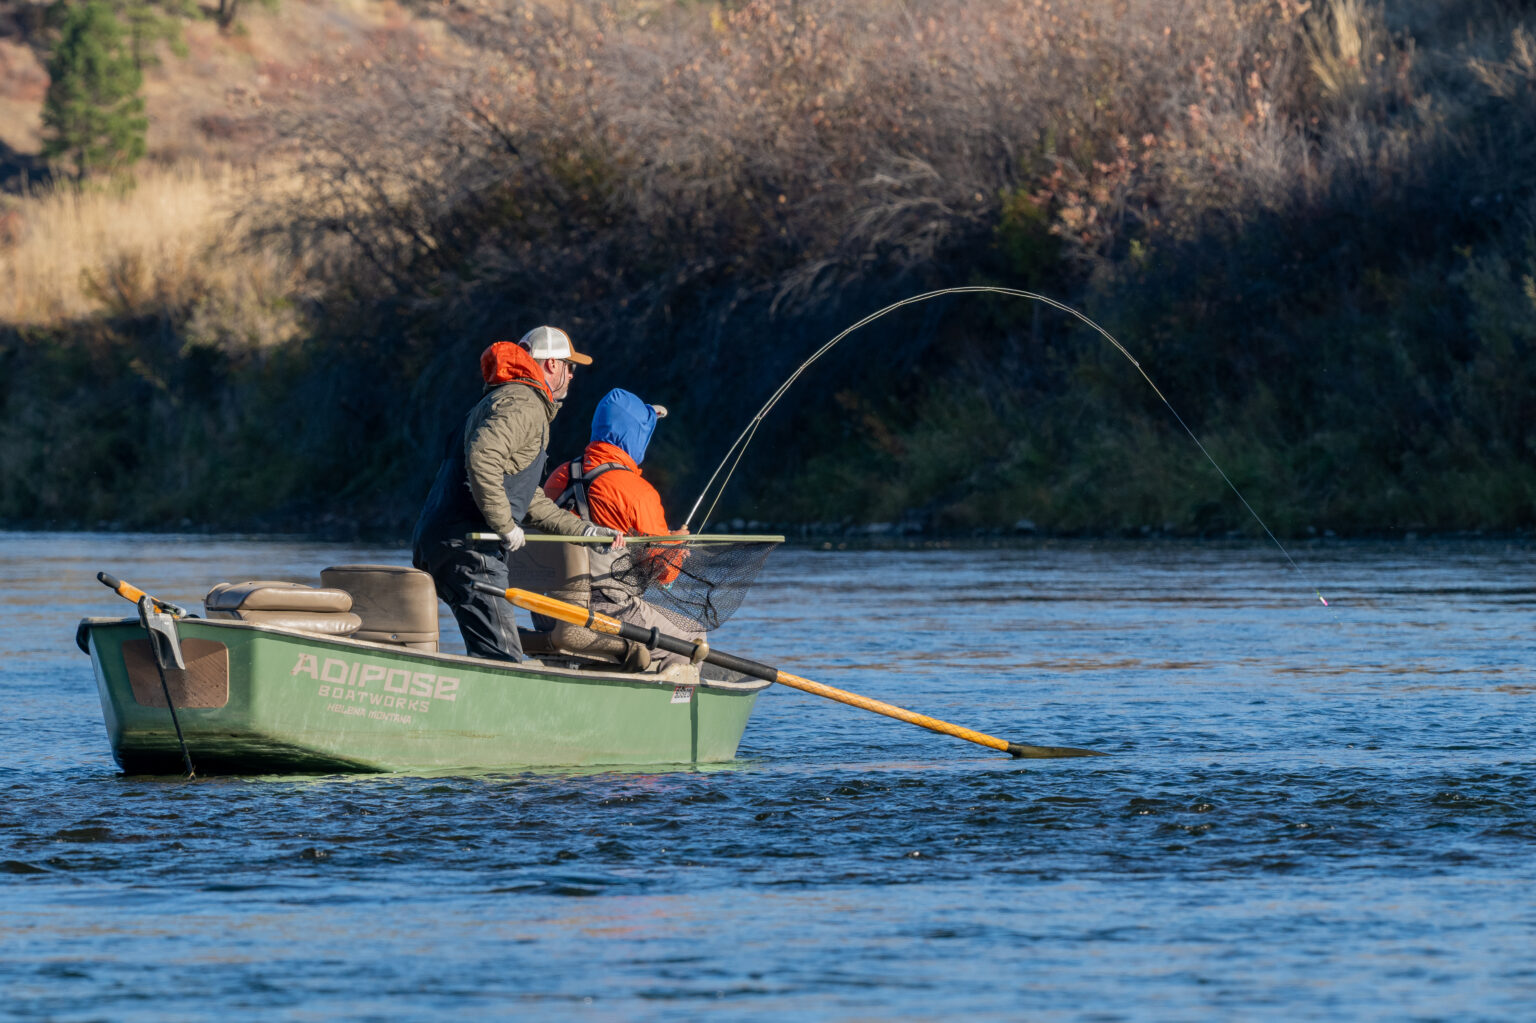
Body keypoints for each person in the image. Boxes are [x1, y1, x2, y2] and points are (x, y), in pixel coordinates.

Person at [411, 326, 620, 661]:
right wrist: (505, 525)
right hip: (470, 547)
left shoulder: (503, 399)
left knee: (489, 648)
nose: (571, 375)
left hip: (440, 542)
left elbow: (526, 495)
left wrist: (585, 531)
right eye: (570, 367)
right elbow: (483, 457)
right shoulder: (524, 404)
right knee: (503, 657)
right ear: (552, 364)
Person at [543, 388, 701, 670]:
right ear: (636, 436)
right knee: (692, 637)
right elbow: (663, 573)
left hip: (546, 612)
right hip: (608, 612)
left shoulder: (558, 476)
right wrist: (677, 544)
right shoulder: (638, 492)